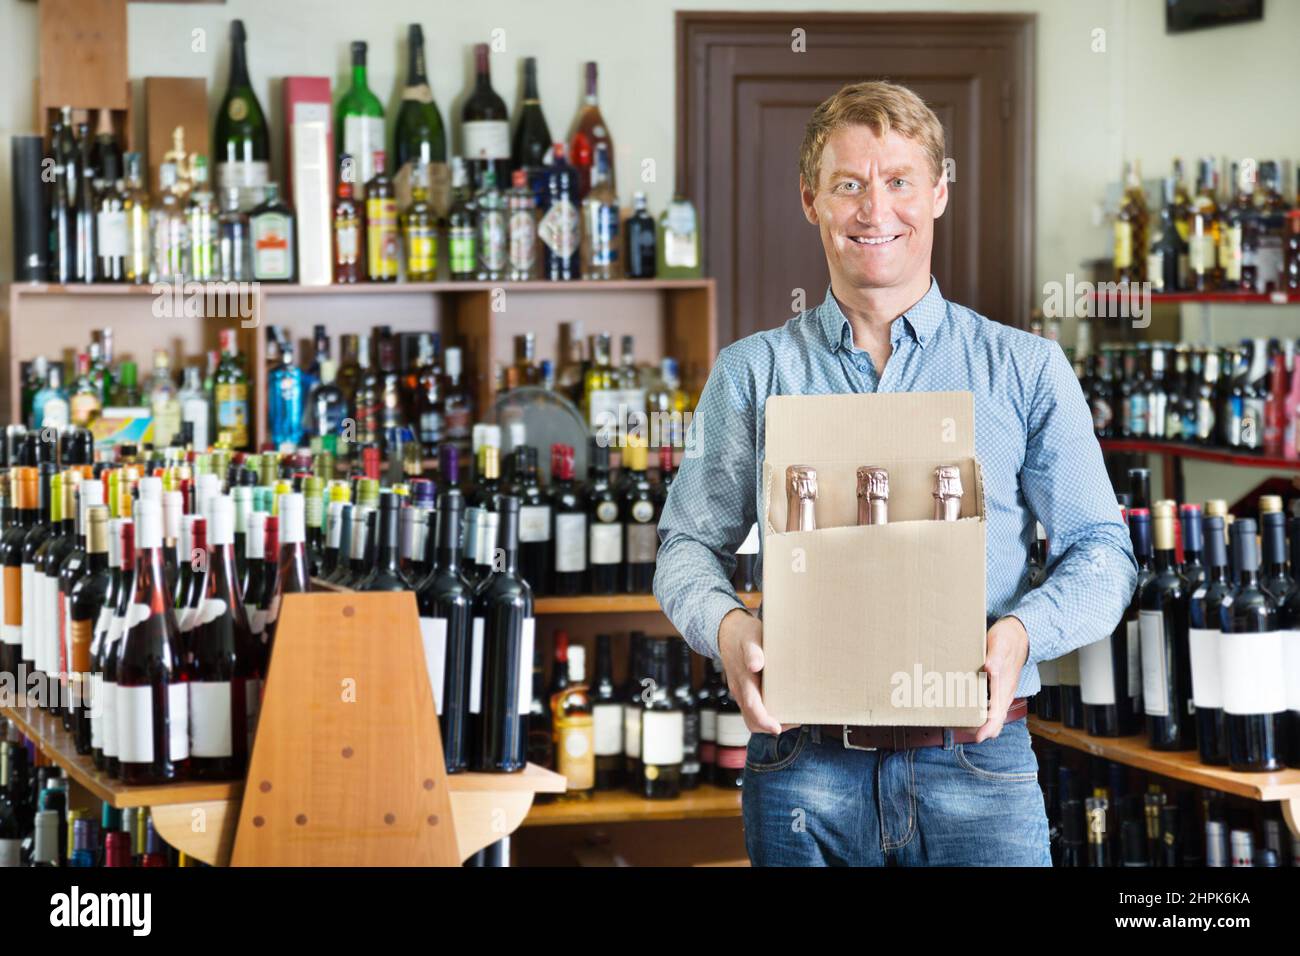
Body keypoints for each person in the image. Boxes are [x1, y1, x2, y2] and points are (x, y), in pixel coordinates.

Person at [653, 80, 1137, 866]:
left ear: (939, 193)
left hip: (978, 765)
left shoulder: (1025, 369)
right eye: (848, 184)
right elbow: (684, 546)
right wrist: (728, 628)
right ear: (810, 199)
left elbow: (1104, 554)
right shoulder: (752, 373)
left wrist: (1022, 634)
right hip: (803, 768)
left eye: (900, 182)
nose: (875, 210)